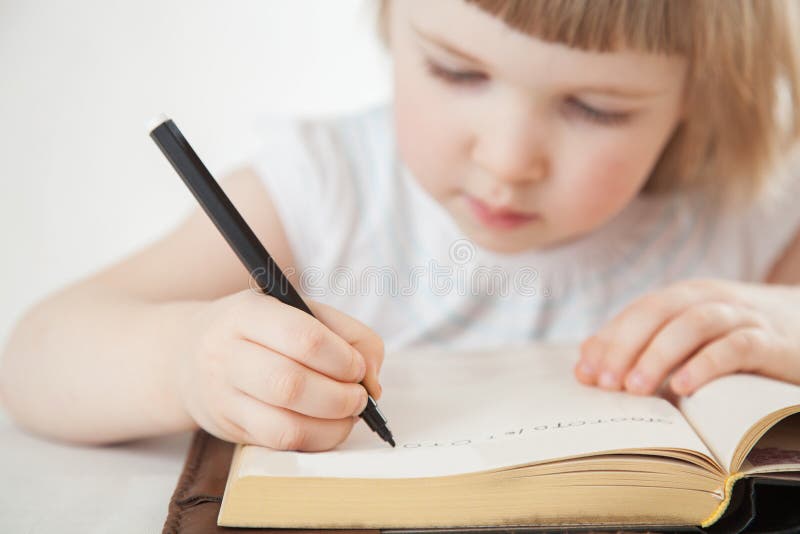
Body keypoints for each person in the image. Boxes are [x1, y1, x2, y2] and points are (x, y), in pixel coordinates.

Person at [2, 0, 800, 453]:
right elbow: (36, 354)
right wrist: (182, 363)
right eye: (458, 71)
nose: (509, 158)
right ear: (392, 23)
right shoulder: (325, 190)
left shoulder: (745, 220)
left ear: (698, 96)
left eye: (596, 108)